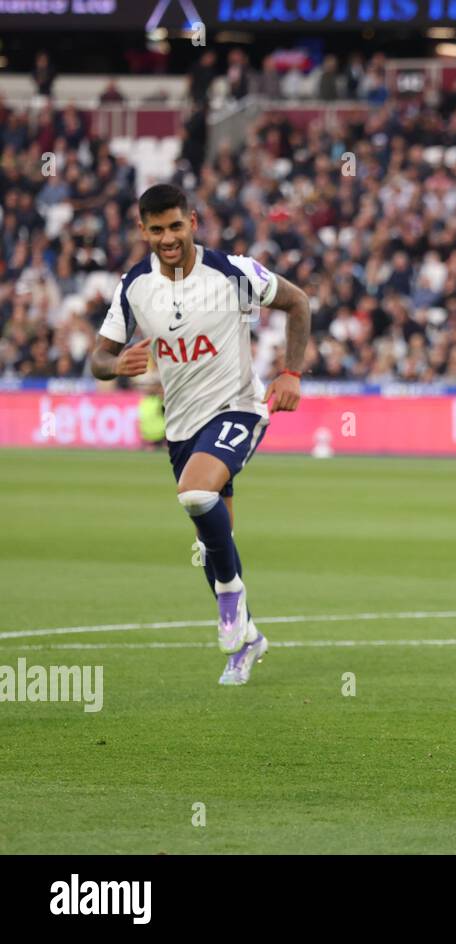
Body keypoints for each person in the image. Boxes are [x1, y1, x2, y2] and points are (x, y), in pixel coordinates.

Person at [89, 184, 311, 685]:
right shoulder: (134, 287)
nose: (168, 238)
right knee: (215, 539)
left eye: (175, 225)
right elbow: (98, 356)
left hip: (239, 407)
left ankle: (232, 595)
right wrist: (113, 365)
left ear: (192, 220)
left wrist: (291, 373)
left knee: (193, 491)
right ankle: (249, 639)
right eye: (156, 229)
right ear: (143, 230)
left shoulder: (234, 271)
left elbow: (299, 303)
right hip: (183, 426)